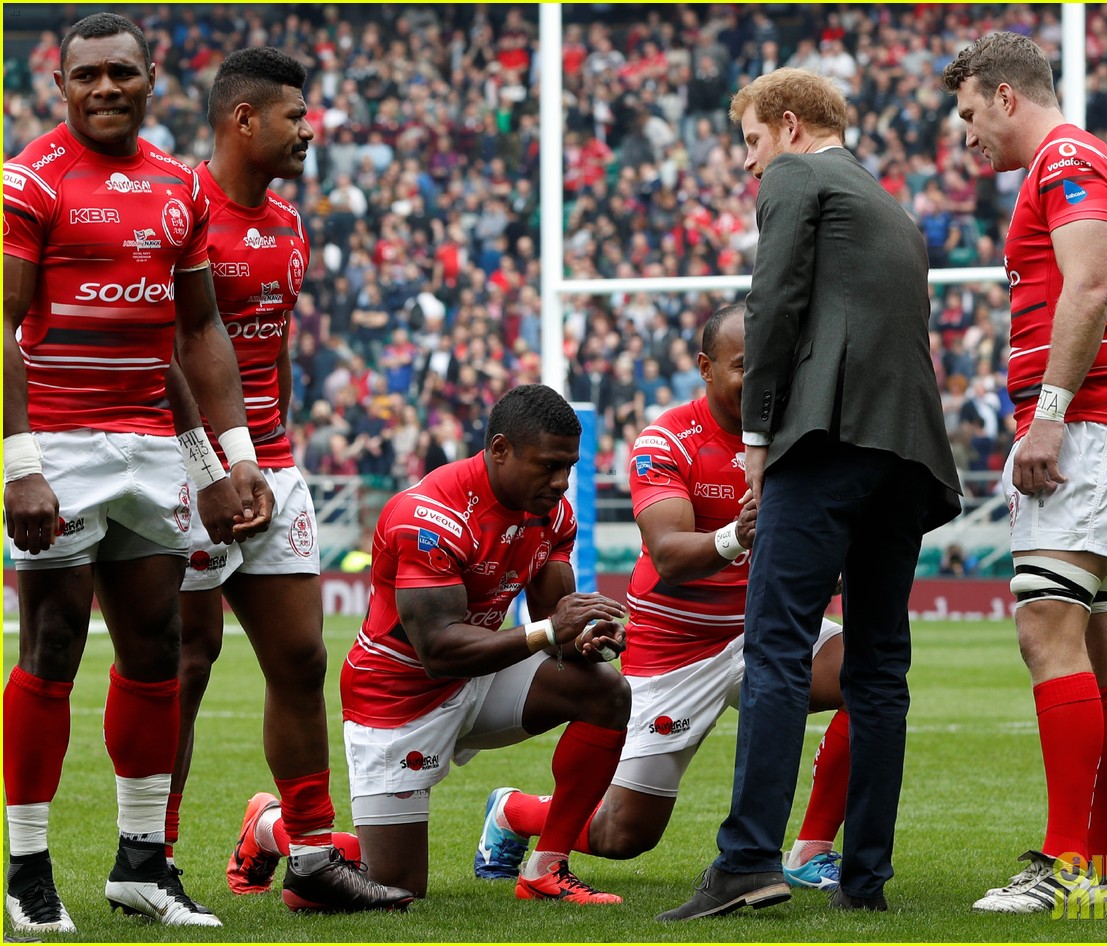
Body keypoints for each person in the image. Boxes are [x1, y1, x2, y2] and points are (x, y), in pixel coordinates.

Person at [660, 68, 961, 921]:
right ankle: (864, 879)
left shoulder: (799, 175)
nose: (751, 165)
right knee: (879, 668)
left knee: (779, 648)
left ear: (788, 126)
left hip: (825, 439)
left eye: (752, 141)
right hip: (905, 454)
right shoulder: (890, 204)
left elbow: (773, 303)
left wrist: (755, 441)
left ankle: (748, 861)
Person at [2, 13, 273, 934]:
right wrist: (21, 466)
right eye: (88, 76)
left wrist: (228, 462)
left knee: (157, 649)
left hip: (155, 448)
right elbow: (2, 325)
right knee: (51, 647)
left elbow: (197, 333)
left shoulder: (178, 187)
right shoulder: (30, 179)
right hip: (62, 450)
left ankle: (140, 868)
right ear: (62, 83)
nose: (105, 88)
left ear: (152, 77)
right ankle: (27, 874)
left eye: (122, 72)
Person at [473, 304, 851, 891]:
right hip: (676, 649)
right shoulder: (669, 438)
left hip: (768, 628)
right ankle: (515, 811)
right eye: (743, 368)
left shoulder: (798, 434)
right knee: (624, 836)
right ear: (704, 367)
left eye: (770, 366)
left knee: (869, 673)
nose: (761, 382)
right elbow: (671, 556)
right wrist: (736, 535)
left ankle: (810, 849)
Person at [164, 47, 412, 915]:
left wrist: (277, 456)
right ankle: (152, 855)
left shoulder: (291, 226)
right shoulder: (181, 213)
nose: (309, 131)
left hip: (272, 467)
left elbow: (277, 353)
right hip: (191, 474)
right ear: (244, 119)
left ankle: (309, 855)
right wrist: (213, 467)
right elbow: (165, 356)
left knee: (302, 658)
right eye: (295, 117)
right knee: (187, 664)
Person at [229, 384, 634, 905]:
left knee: (605, 690)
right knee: (394, 886)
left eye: (569, 467)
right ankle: (270, 826)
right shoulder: (428, 515)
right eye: (549, 466)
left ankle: (545, 868)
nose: (561, 482)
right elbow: (438, 649)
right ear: (501, 449)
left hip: (481, 673)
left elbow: (554, 625)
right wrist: (552, 631)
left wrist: (591, 636)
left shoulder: (550, 512)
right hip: (399, 693)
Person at [943, 32, 1107, 913]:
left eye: (968, 116)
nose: (966, 139)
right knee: (1101, 643)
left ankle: (1065, 863)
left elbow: (1090, 280)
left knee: (1046, 632)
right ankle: (1099, 865)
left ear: (1004, 95)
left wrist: (1049, 415)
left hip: (1088, 425)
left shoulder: (1067, 159)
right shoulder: (1074, 163)